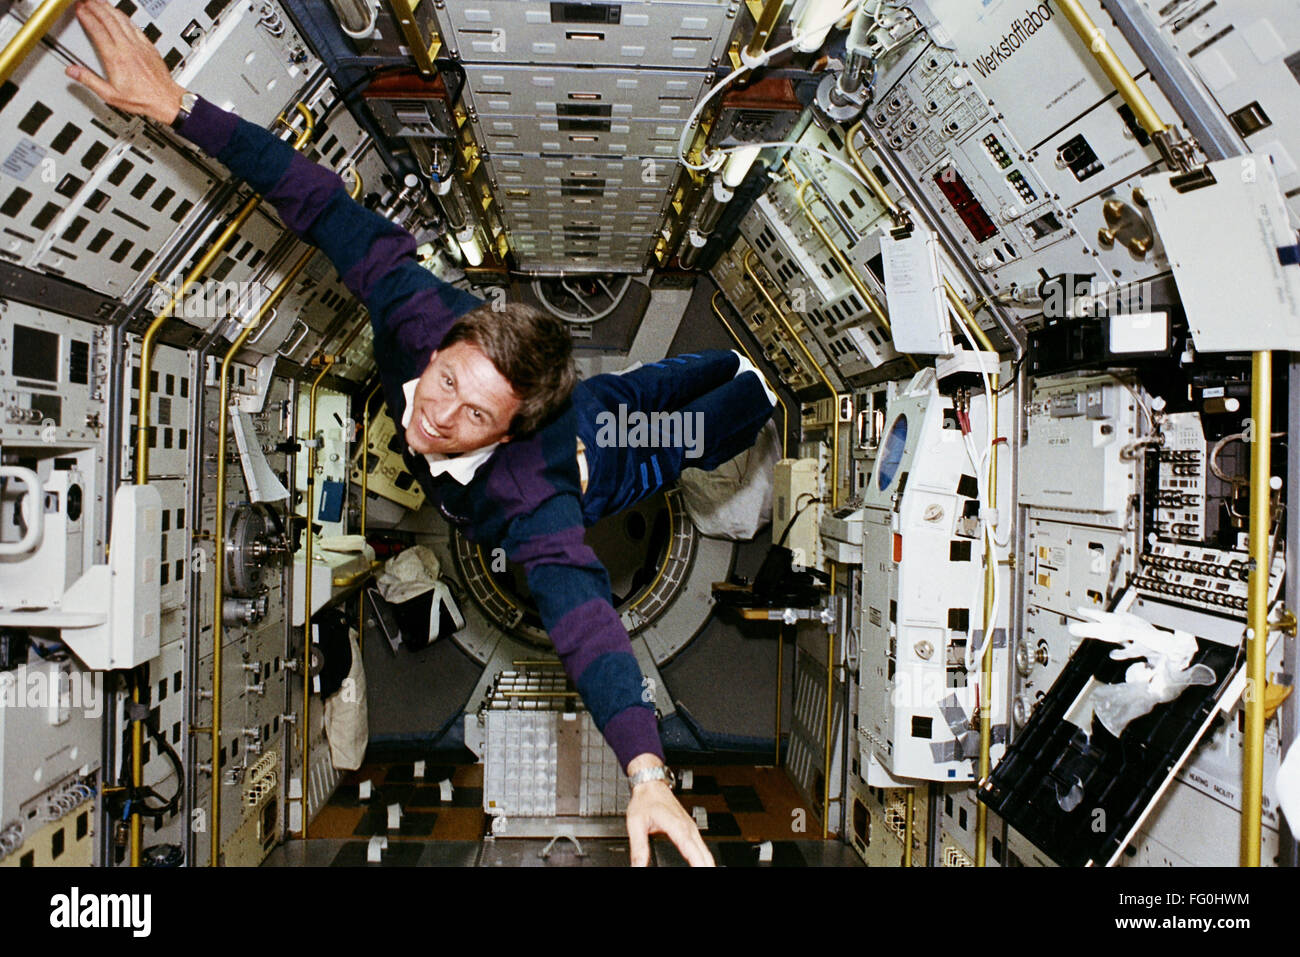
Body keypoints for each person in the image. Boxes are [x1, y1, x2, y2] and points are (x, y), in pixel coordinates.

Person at [66, 0, 776, 866]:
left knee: (681, 428)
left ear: (515, 422)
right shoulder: (417, 313)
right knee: (646, 383)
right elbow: (319, 202)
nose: (437, 414)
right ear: (443, 344)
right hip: (580, 411)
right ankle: (727, 371)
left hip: (600, 459)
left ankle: (760, 392)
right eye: (447, 382)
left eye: (474, 415)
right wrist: (182, 108)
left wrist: (647, 770)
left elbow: (591, 625)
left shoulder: (535, 501)